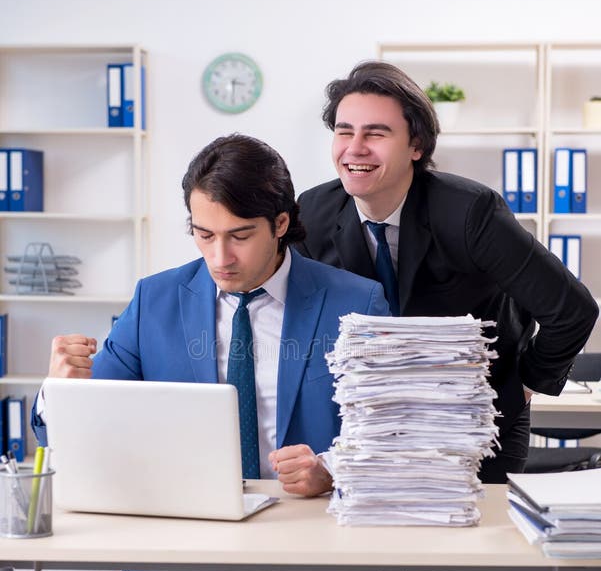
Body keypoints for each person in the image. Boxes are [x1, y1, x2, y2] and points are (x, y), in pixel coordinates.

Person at [32, 132, 388, 508]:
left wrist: (333, 468)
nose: (221, 258)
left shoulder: (356, 303)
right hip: (188, 526)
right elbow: (85, 425)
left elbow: (398, 430)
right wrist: (56, 391)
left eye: (240, 236)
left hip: (312, 524)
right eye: (205, 235)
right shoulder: (154, 301)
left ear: (280, 224)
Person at [296, 61, 599, 483]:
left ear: (416, 146)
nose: (355, 147)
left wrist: (524, 386)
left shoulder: (470, 212)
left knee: (472, 545)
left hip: (475, 422)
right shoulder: (312, 213)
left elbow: (571, 309)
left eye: (376, 133)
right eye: (345, 131)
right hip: (370, 426)